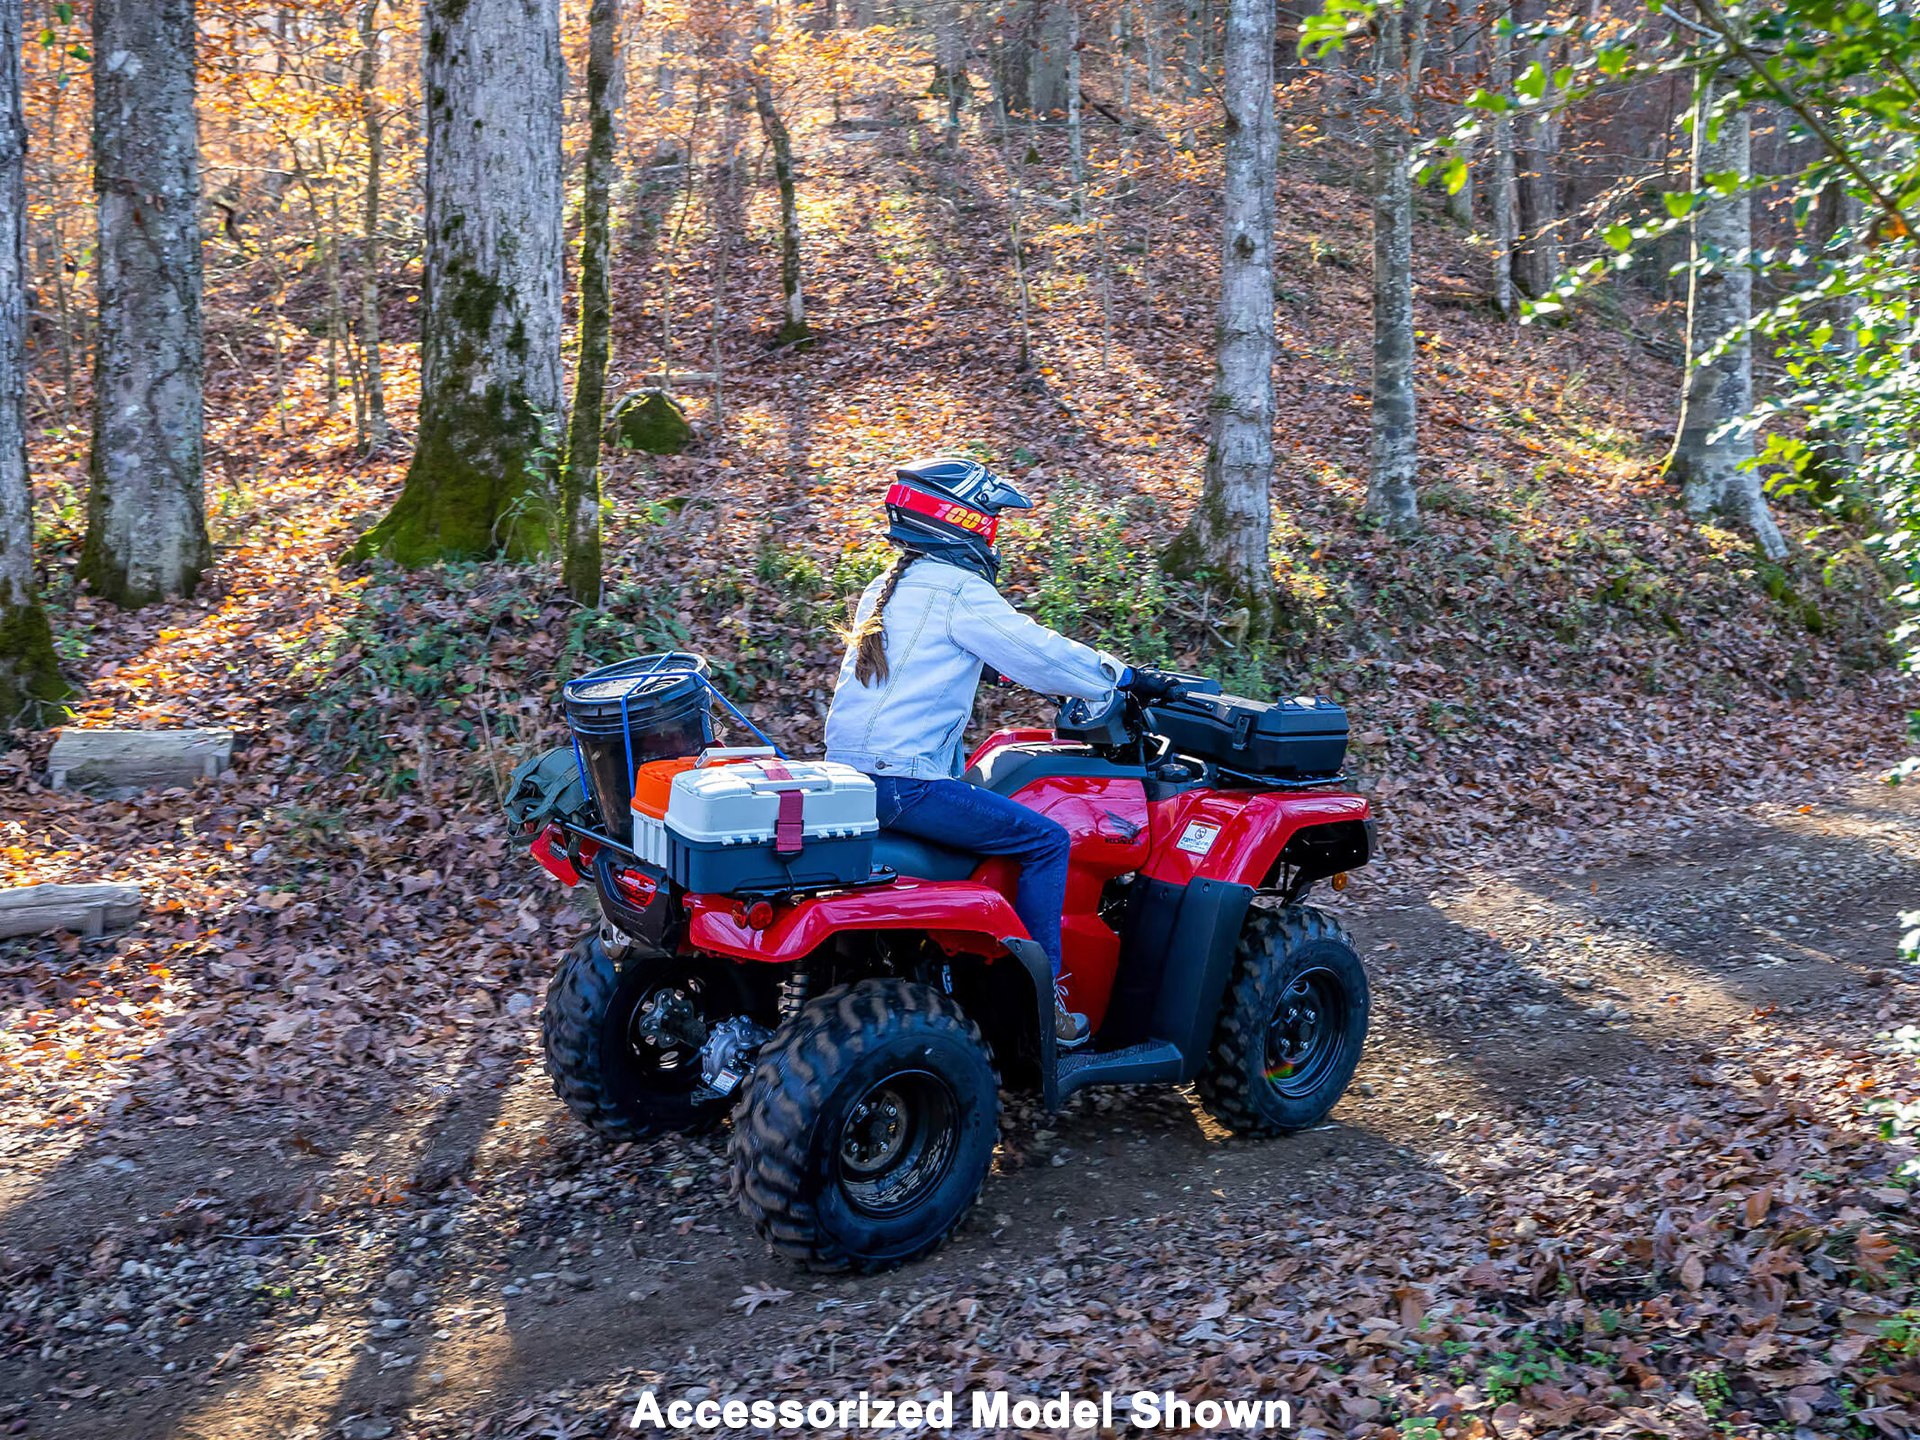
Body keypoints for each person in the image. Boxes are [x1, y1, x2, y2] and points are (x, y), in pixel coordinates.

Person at [824, 456, 1141, 1048]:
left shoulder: (887, 586)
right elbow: (1042, 653)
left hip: (854, 779)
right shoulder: (958, 590)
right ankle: (1046, 1003)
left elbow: (926, 661)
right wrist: (1121, 677)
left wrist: (989, 671)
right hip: (906, 785)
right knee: (1047, 840)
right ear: (961, 522)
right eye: (991, 520)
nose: (994, 534)